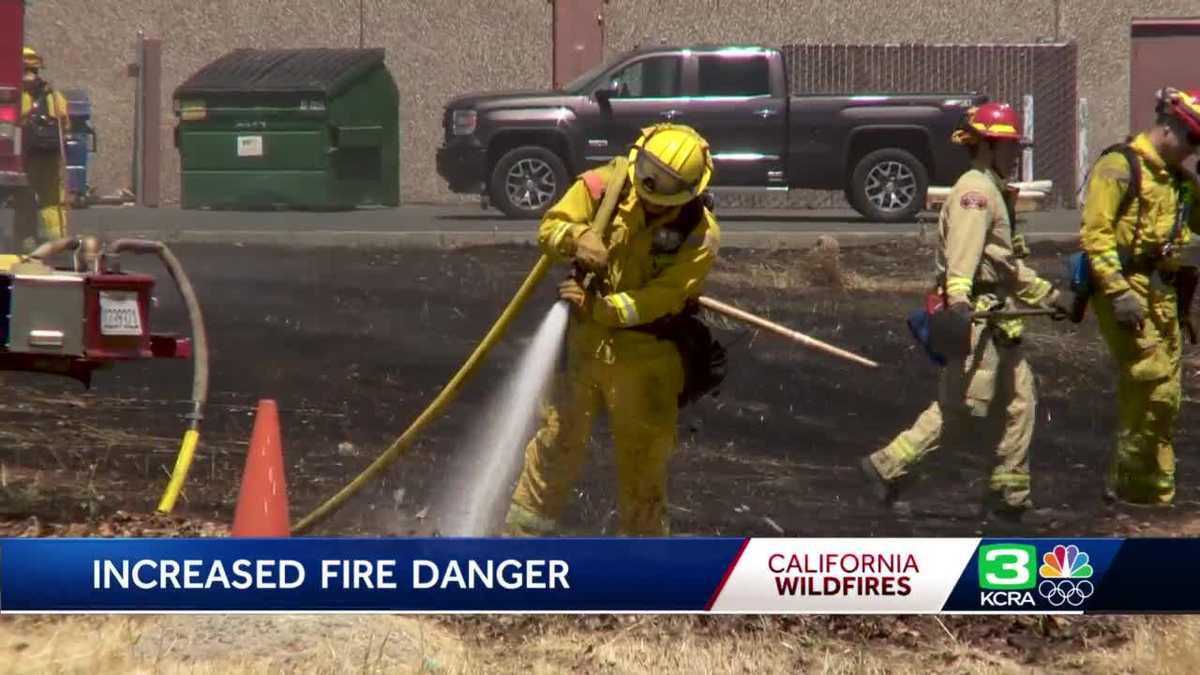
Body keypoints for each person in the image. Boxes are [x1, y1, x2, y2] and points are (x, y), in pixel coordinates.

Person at [504, 124, 720, 536]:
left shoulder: (699, 233)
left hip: (647, 355)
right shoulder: (603, 187)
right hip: (583, 345)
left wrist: (602, 308)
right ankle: (522, 539)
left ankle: (640, 558)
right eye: (649, 175)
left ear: (688, 191)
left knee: (643, 459)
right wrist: (578, 237)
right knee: (558, 439)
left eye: (665, 186)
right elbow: (550, 228)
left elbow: (663, 297)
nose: (651, 190)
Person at [859, 102, 1069, 524]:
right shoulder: (975, 193)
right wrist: (958, 303)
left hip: (997, 318)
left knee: (1019, 403)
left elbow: (1005, 265)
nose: (1016, 154)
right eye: (1009, 146)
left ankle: (1009, 498)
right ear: (987, 146)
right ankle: (887, 467)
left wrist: (1050, 295)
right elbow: (964, 256)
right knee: (960, 410)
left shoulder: (993, 190)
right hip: (977, 318)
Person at [1079, 87, 1200, 507]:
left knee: (1167, 395)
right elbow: (1095, 234)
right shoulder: (1119, 166)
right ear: (1168, 126)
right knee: (1152, 383)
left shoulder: (1181, 182)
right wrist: (1117, 292)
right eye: (1192, 139)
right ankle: (1126, 476)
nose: (1192, 150)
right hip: (1125, 291)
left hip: (1163, 295)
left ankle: (1151, 492)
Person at [12, 46, 70, 251]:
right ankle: (60, 242)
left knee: (25, 197)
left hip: (26, 155)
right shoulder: (52, 94)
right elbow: (64, 122)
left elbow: (16, 119)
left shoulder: (18, 94)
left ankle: (26, 240)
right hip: (49, 155)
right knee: (52, 201)